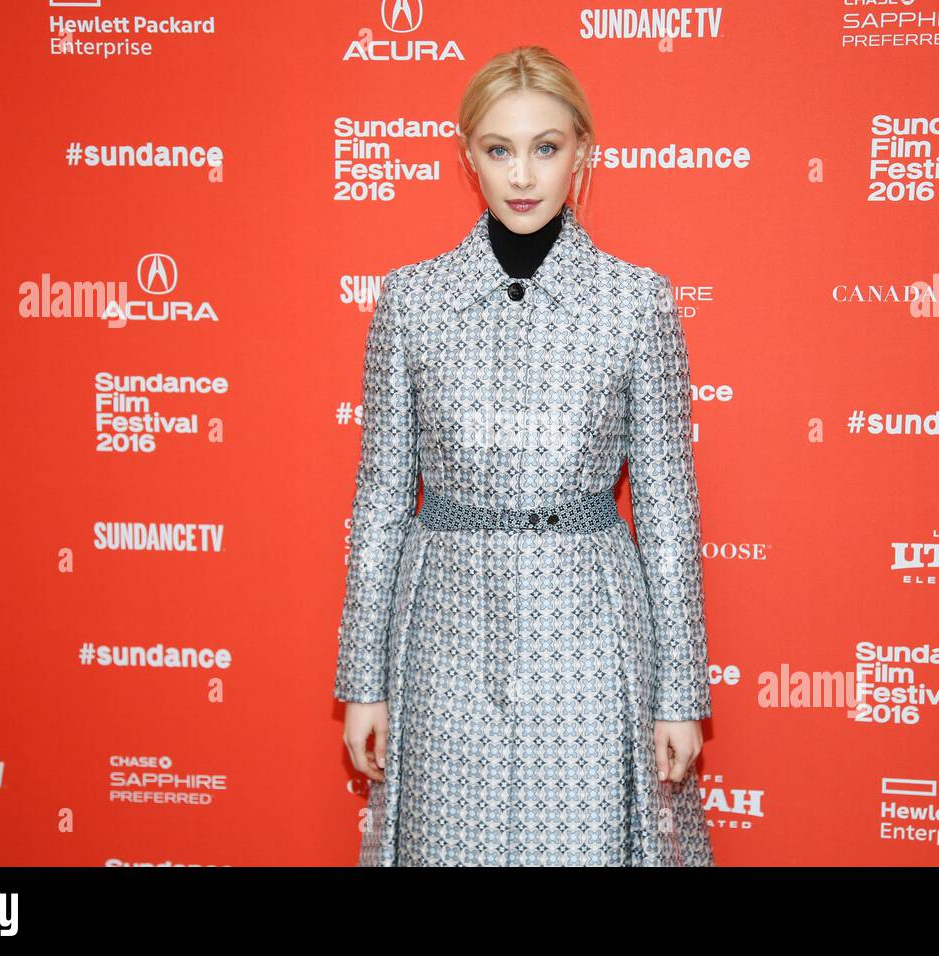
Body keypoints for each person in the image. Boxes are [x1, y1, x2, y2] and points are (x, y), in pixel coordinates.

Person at [334, 45, 714, 866]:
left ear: (584, 151)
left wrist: (679, 694)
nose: (523, 175)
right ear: (466, 154)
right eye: (499, 149)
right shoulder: (413, 300)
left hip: (589, 634)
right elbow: (379, 501)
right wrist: (363, 681)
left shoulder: (634, 302)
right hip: (442, 629)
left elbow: (670, 514)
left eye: (547, 146)